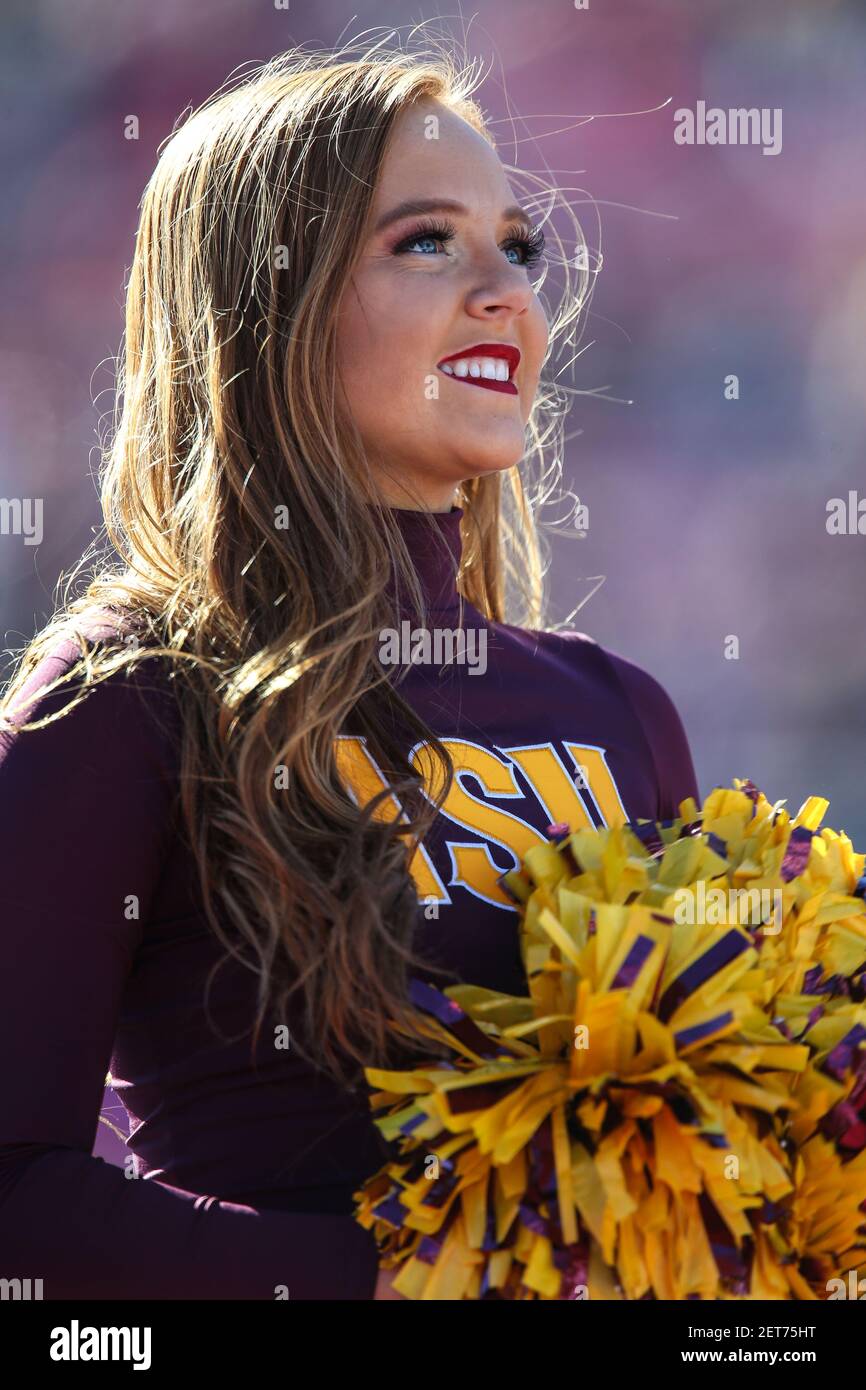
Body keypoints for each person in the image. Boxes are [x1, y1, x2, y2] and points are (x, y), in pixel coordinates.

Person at [0, 36, 699, 1301]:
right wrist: (393, 1285)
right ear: (269, 298)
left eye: (518, 246)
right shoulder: (131, 695)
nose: (504, 292)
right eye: (424, 242)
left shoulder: (620, 711)